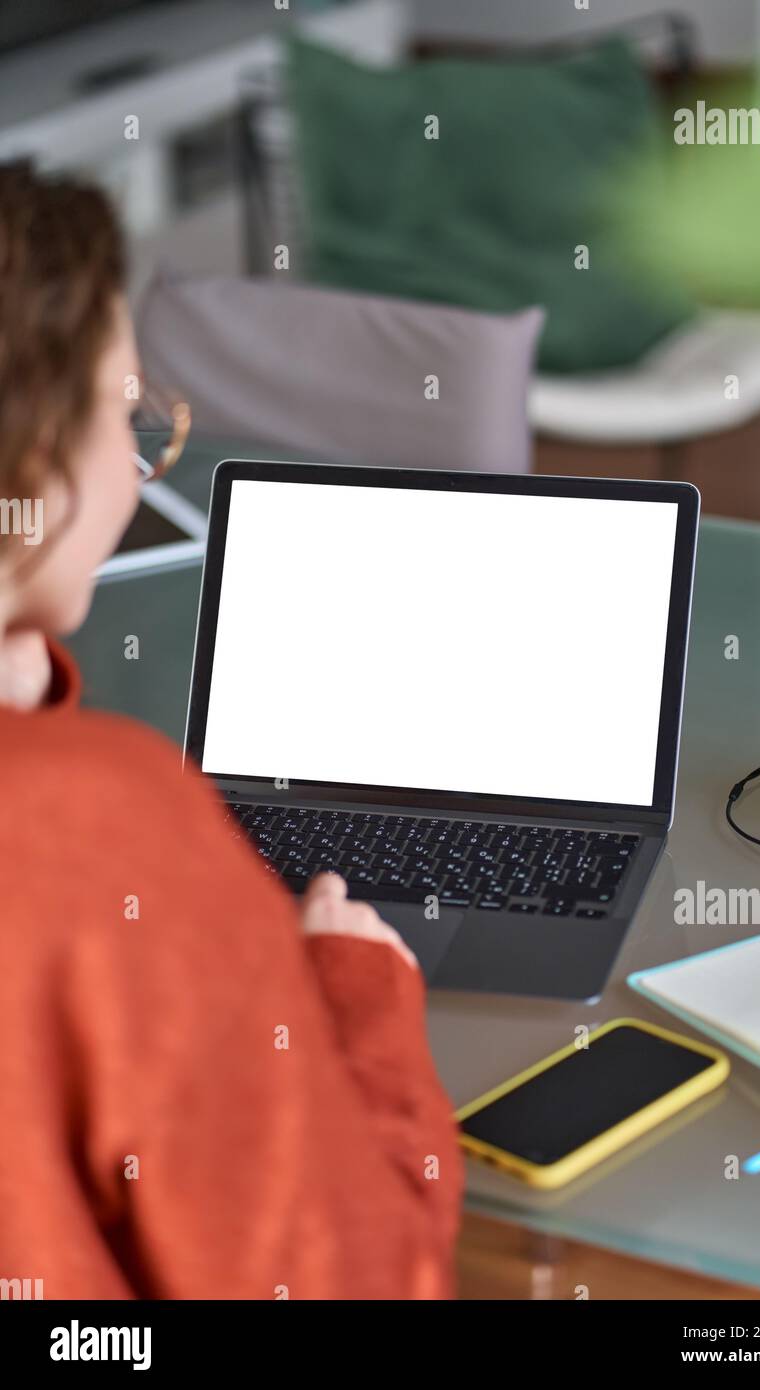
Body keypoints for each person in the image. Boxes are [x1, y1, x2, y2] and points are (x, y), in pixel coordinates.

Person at [0, 163, 462, 1300]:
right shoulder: (99, 816)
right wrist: (356, 998)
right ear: (32, 468)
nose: (132, 458)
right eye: (122, 412)